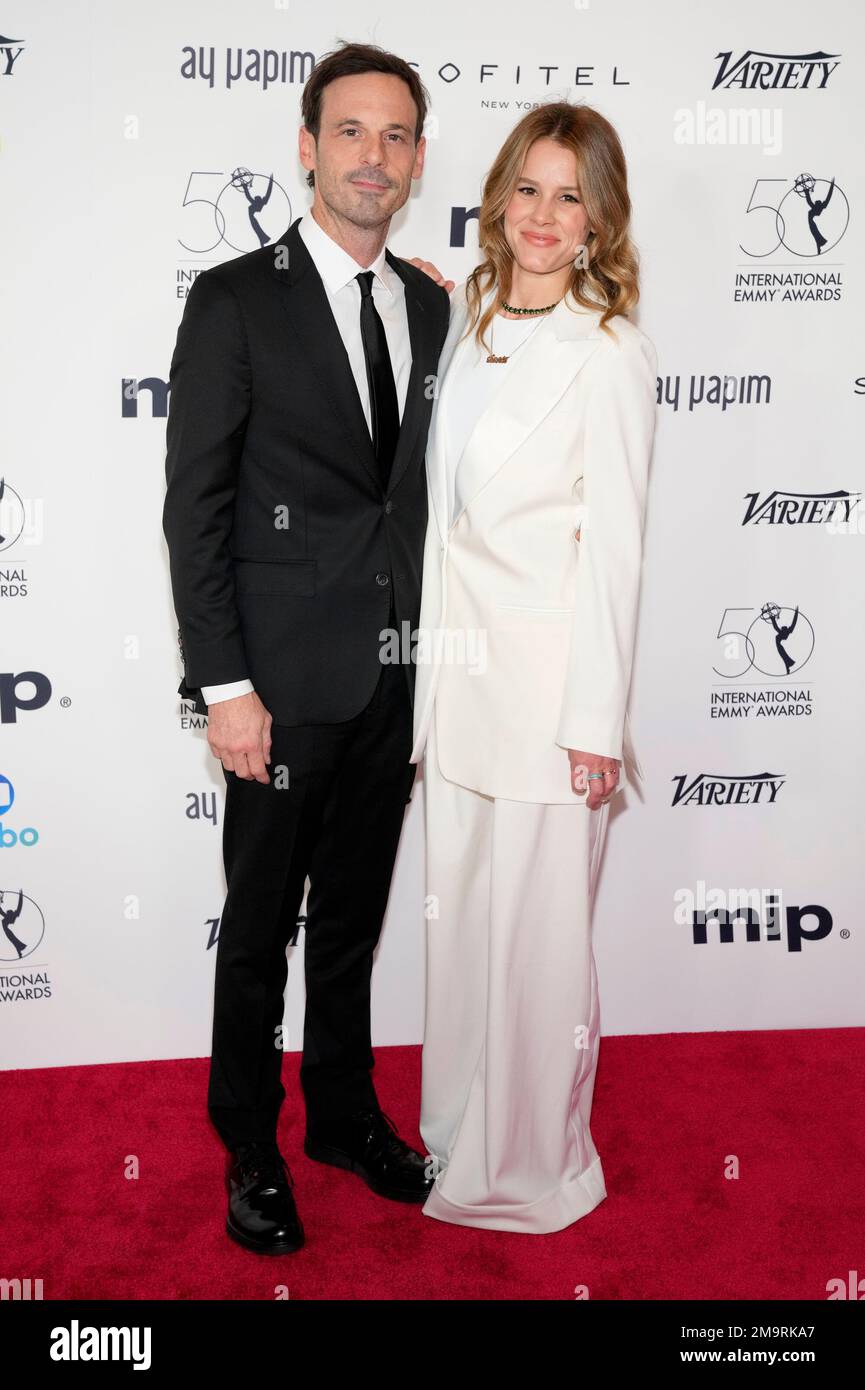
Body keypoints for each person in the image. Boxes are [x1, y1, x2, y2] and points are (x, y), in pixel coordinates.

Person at [162, 41, 450, 1254]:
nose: (372, 157)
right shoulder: (234, 299)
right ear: (306, 145)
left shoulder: (432, 304)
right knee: (260, 922)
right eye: (350, 132)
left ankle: (340, 1113)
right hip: (276, 690)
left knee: (350, 923)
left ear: (419, 160)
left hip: (396, 676)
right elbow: (197, 507)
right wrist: (225, 686)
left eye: (394, 137)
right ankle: (250, 1145)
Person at [409, 101, 659, 1233]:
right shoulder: (465, 313)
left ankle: (536, 1168)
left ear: (600, 219)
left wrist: (595, 723)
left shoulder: (610, 353)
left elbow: (615, 551)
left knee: (541, 946)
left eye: (571, 196)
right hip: (454, 687)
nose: (545, 216)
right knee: (459, 928)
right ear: (497, 196)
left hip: (553, 705)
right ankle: (458, 1133)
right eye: (528, 189)